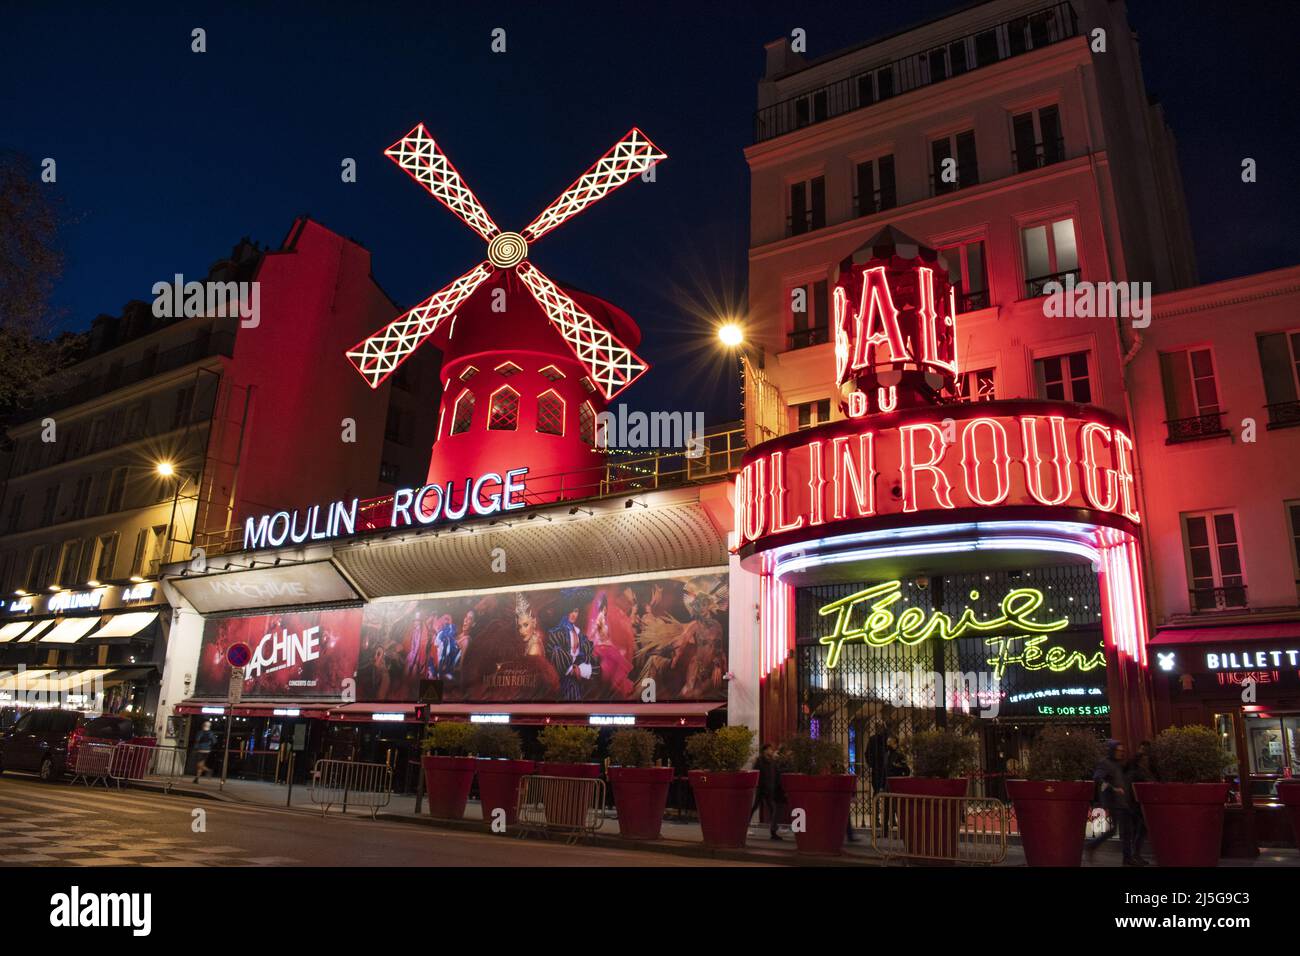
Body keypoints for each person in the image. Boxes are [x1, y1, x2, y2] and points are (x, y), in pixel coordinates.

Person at [1085, 740, 1143, 865]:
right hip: (1114, 803)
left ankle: (1125, 858)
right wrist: (1113, 788)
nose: (1120, 753)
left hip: (1122, 802)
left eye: (1122, 751)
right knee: (1124, 830)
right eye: (1118, 751)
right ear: (1112, 750)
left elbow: (1128, 767)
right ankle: (1126, 858)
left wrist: (1138, 755)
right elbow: (1097, 778)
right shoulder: (1105, 763)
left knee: (1123, 830)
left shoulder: (1117, 764)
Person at [1126, 741, 1154, 866]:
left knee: (1139, 830)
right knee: (1139, 830)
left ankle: (1134, 855)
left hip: (1139, 803)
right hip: (1135, 804)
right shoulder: (1137, 770)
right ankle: (1134, 855)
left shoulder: (1144, 769)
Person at [752, 743, 784, 840]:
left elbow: (777, 774)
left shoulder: (772, 761)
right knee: (754, 808)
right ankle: (744, 827)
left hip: (770, 789)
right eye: (769, 749)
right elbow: (756, 774)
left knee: (773, 810)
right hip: (761, 789)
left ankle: (773, 832)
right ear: (765, 750)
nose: (771, 751)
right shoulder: (759, 761)